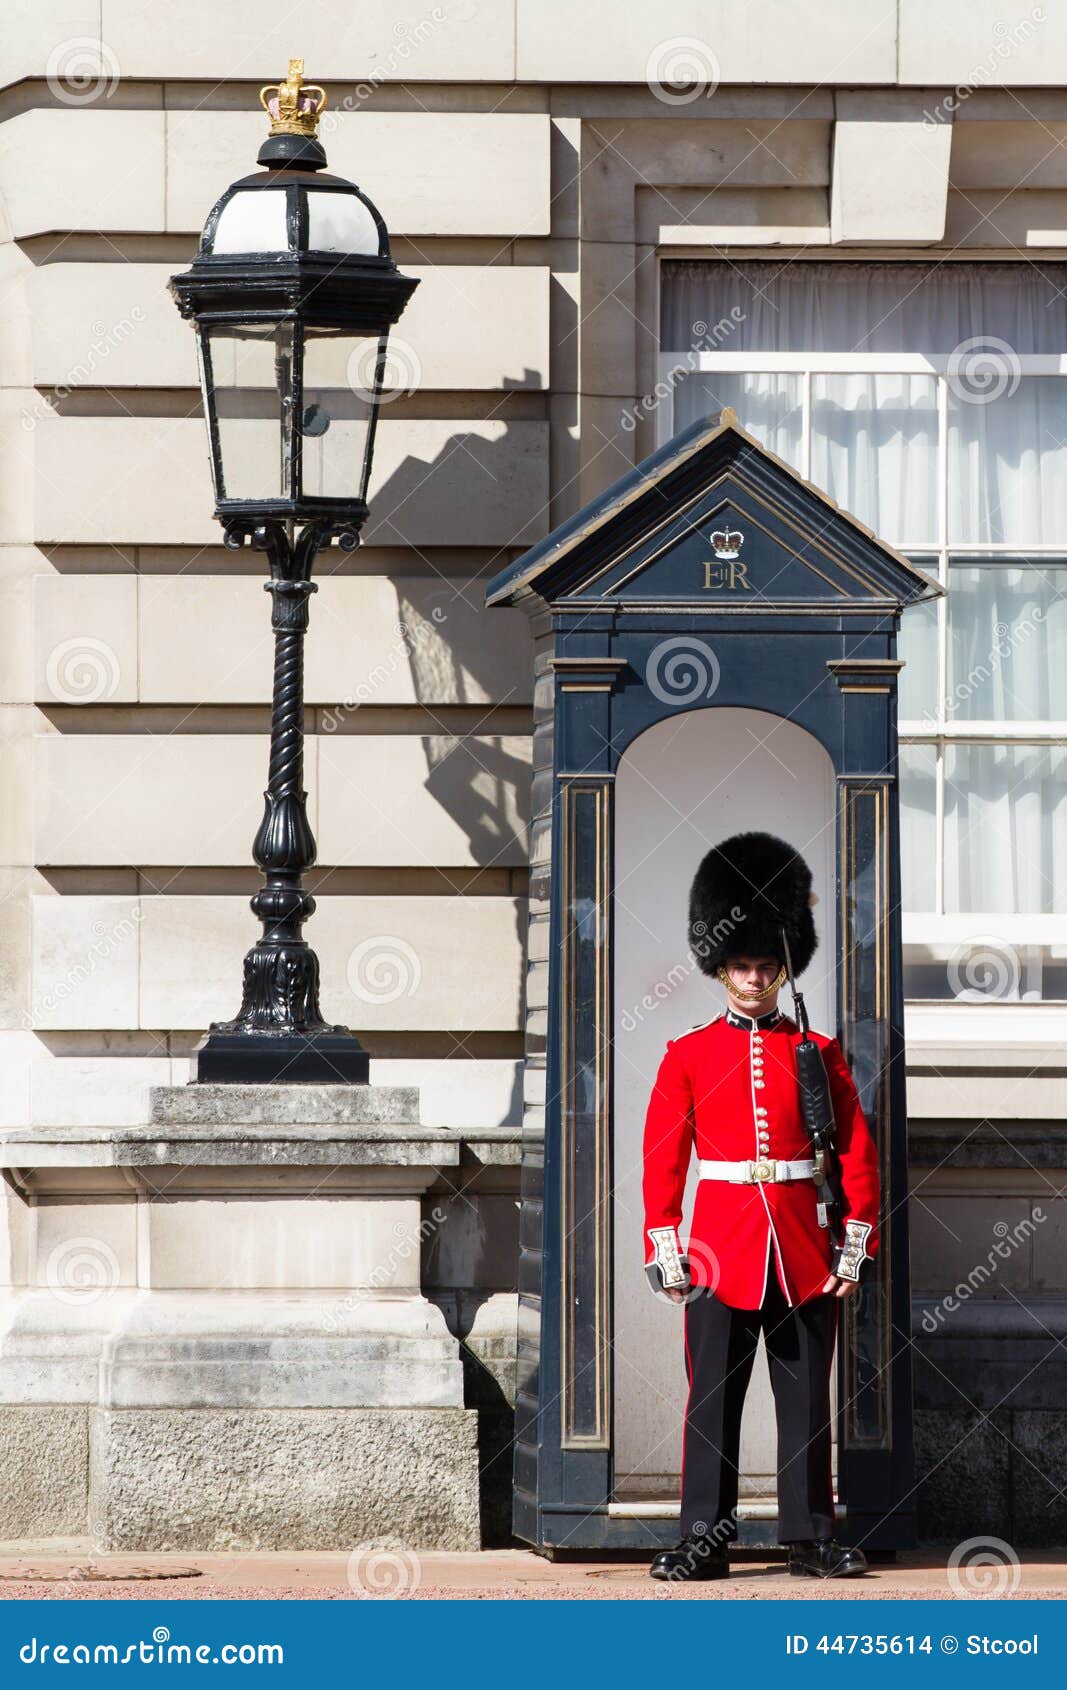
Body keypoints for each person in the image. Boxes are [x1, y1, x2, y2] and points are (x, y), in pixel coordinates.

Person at [642, 831, 880, 1582]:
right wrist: (665, 1243)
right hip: (717, 1244)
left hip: (803, 1246)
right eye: (741, 965)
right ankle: (703, 1540)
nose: (752, 977)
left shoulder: (818, 1051)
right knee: (710, 1402)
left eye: (765, 966)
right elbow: (663, 1157)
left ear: (782, 968)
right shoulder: (687, 1053)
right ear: (721, 969)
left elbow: (854, 1151)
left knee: (806, 1402)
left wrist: (854, 1243)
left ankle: (808, 1537)